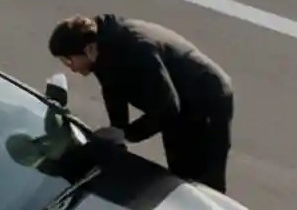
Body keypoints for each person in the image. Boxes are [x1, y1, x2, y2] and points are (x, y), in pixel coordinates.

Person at [47, 14, 236, 193]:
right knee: (180, 175)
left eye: (69, 60)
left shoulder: (135, 50)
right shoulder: (101, 50)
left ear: (88, 49)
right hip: (179, 106)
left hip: (207, 99)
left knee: (207, 183)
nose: (71, 68)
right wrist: (116, 131)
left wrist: (127, 133)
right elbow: (113, 90)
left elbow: (168, 108)